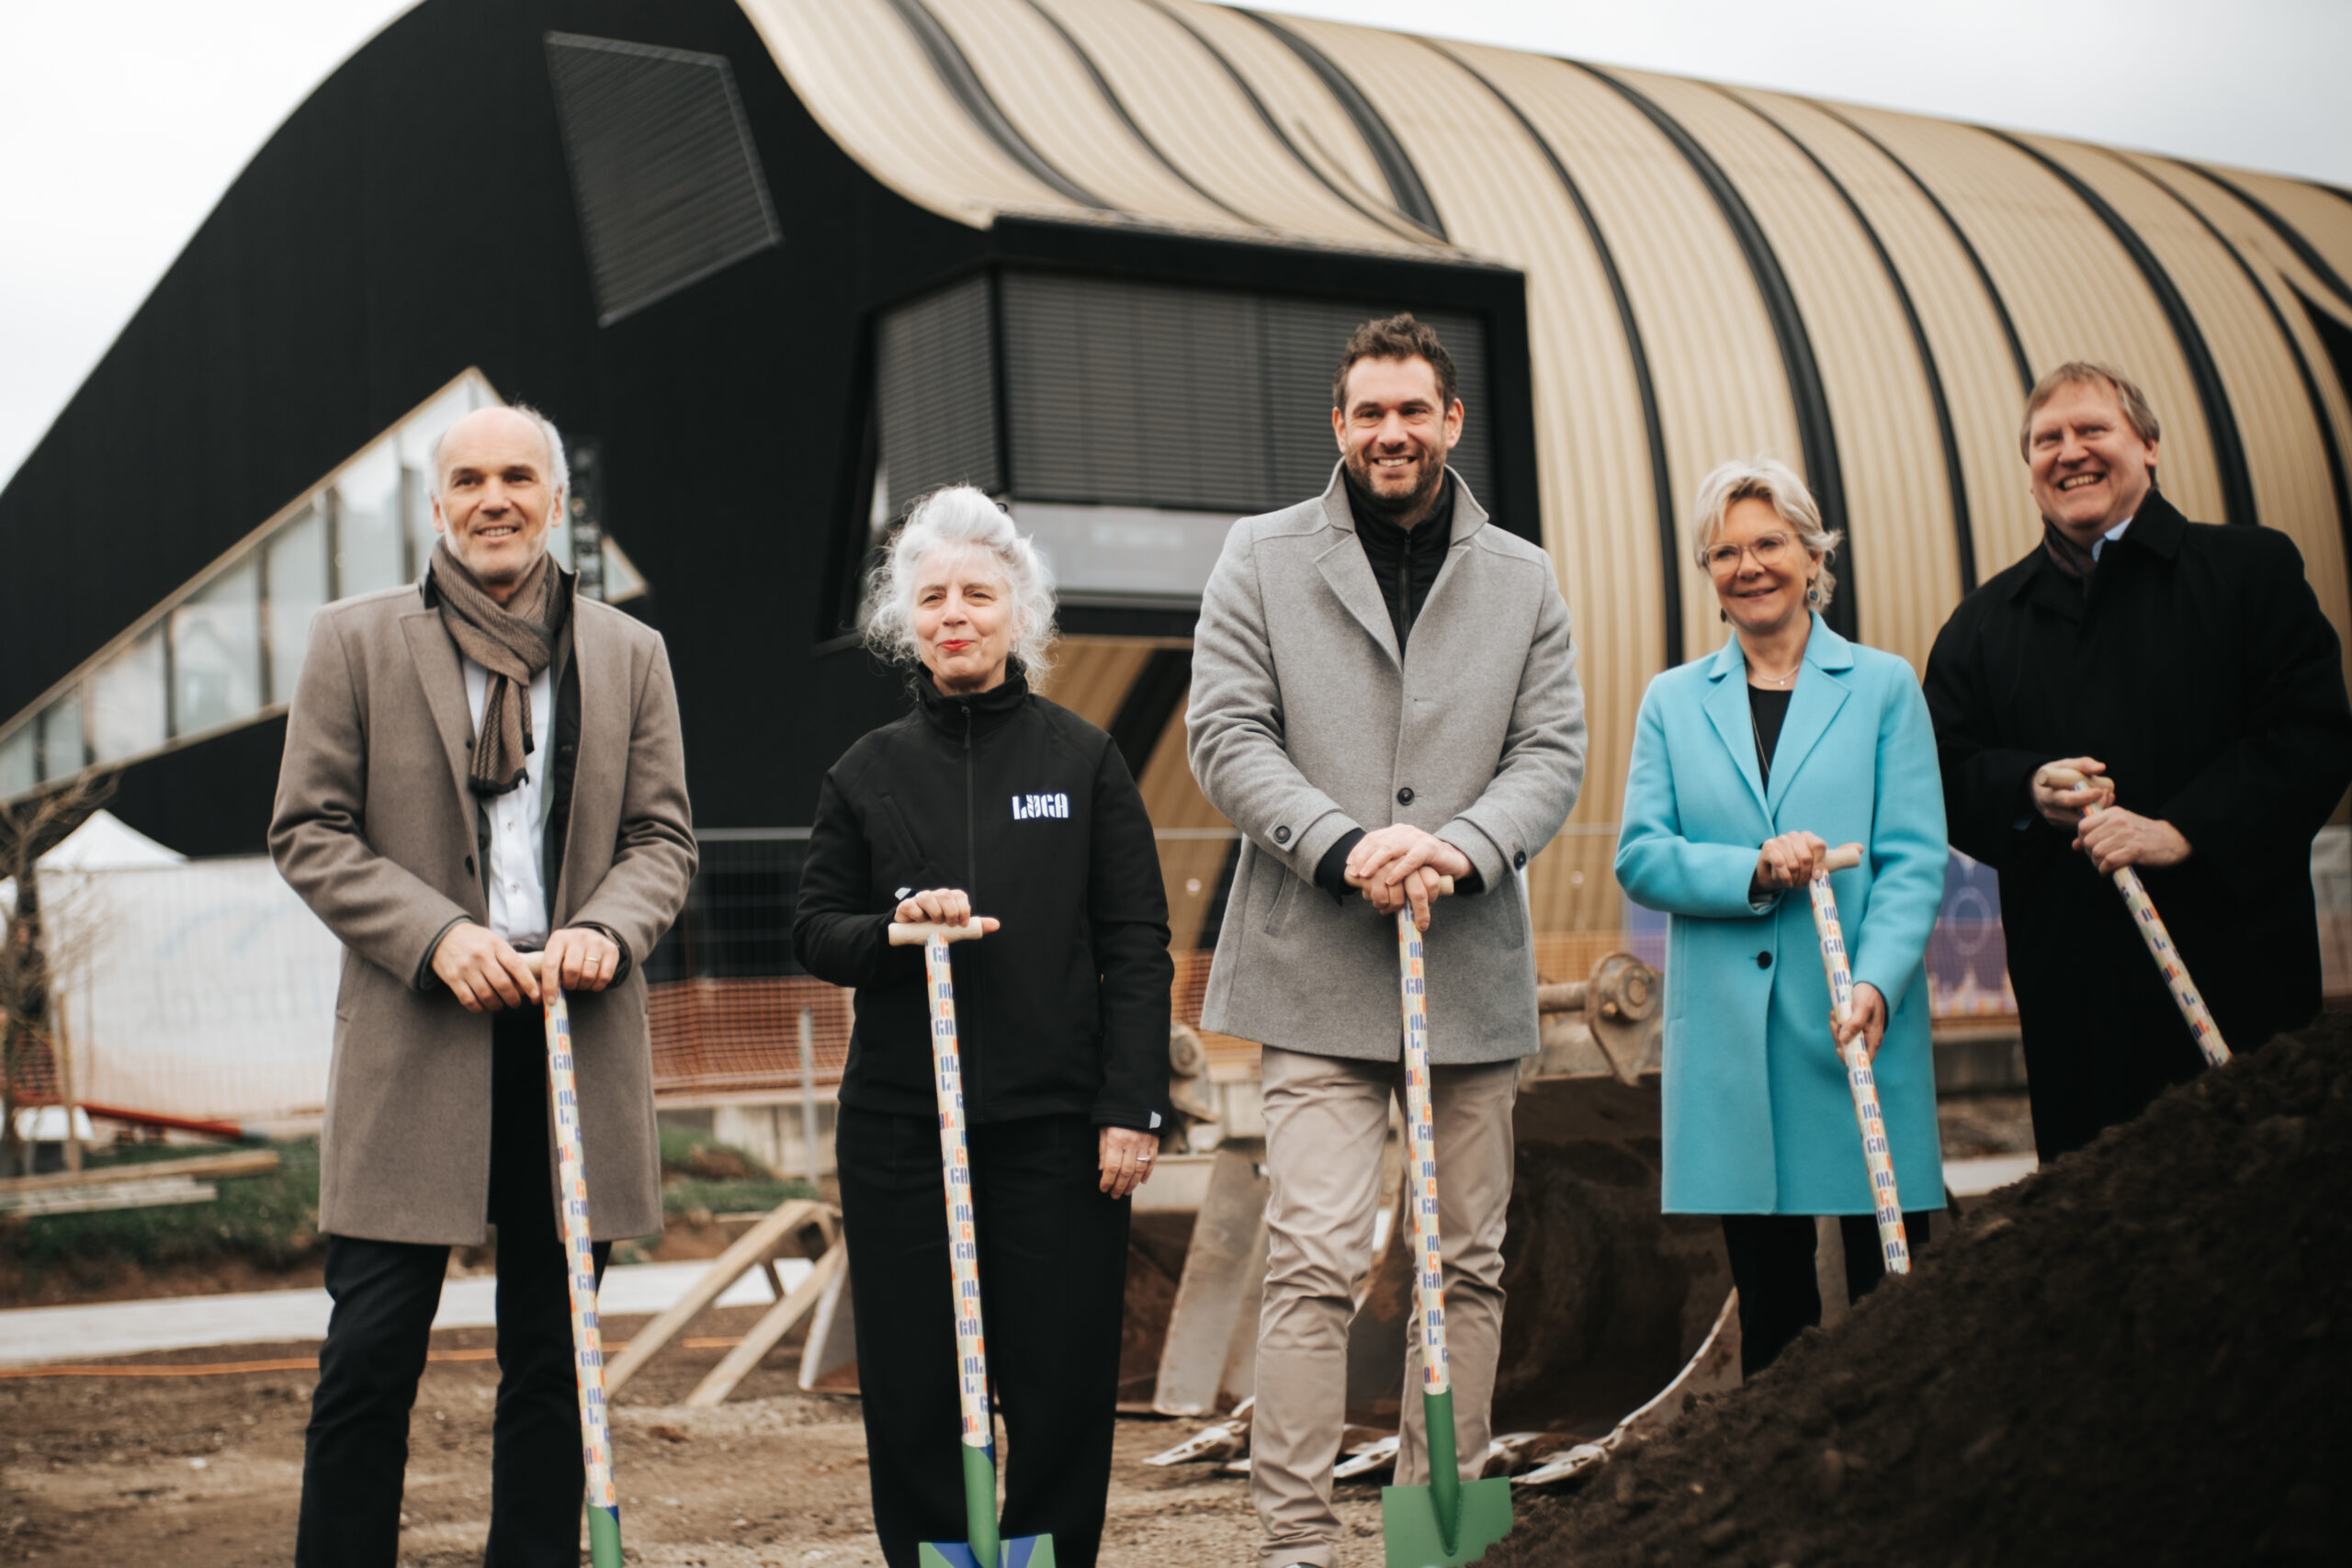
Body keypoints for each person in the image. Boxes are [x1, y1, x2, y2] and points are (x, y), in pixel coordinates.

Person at [1187, 313, 1585, 1568]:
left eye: (1413, 410)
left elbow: (1552, 752)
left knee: (1466, 1257)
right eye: (1369, 411)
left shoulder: (1522, 576)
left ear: (1452, 421)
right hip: (1315, 964)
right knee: (1312, 1253)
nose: (1391, 432)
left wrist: (1461, 845)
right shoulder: (1260, 558)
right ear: (1340, 424)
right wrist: (1342, 843)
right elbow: (1227, 733)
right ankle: (1294, 1533)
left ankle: (1437, 1522)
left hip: (1463, 970)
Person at [270, 402, 695, 1565]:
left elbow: (663, 840)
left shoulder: (628, 653)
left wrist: (610, 924)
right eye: (469, 480)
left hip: (575, 1041)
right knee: (369, 1357)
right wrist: (436, 933)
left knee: (554, 1368)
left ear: (557, 500)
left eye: (518, 477)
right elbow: (308, 830)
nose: (494, 498)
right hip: (416, 1041)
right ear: (438, 503)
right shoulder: (352, 642)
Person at [793, 486, 1171, 1568]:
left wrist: (1130, 1105)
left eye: (977, 594)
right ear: (902, 621)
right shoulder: (865, 773)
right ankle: (936, 1558)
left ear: (1020, 612)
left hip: (1054, 1126)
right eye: (931, 597)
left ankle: (1045, 1554)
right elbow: (817, 931)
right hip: (904, 1129)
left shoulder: (1082, 760)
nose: (953, 614)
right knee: (914, 1383)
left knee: (1056, 1380)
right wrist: (896, 928)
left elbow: (1136, 943)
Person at [1925, 363, 2352, 1160]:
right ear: (2029, 472)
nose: (2069, 451)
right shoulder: (1982, 626)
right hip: (2076, 1017)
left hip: (2237, 988)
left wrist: (2182, 830)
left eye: (2093, 430)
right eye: (2046, 439)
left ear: (2149, 447)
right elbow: (1940, 770)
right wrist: (2026, 786)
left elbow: (2313, 733)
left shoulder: (2249, 573)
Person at [1615, 457, 1946, 1378]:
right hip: (1733, 1042)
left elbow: (1914, 859)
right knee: (1773, 1305)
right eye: (1725, 551)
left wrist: (1877, 983)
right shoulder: (1673, 702)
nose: (1748, 565)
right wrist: (1752, 868)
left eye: (1768, 543)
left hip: (1853, 1022)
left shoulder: (1882, 687)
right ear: (1706, 569)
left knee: (1897, 1287)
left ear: (1810, 555)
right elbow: (1641, 855)